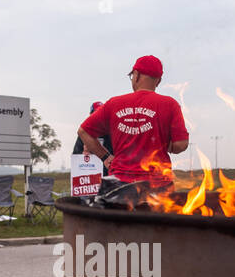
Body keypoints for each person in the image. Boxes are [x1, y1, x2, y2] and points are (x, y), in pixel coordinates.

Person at [77, 56, 189, 186]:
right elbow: (181, 145)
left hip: (119, 184)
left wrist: (105, 157)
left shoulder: (114, 103)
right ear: (158, 81)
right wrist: (163, 142)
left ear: (136, 75)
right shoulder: (170, 104)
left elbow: (83, 131)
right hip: (158, 184)